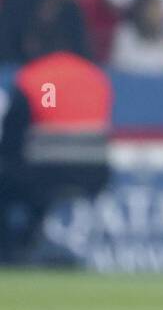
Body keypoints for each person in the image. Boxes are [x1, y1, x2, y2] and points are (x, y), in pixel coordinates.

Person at [0, 51, 112, 263]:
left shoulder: (33, 78)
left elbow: (11, 142)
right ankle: (35, 241)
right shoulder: (94, 76)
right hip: (95, 174)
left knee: (7, 185)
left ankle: (11, 253)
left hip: (45, 174)